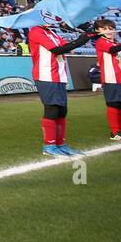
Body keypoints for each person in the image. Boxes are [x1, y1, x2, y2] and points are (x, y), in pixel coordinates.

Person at [29, 16, 96, 158]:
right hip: (46, 75)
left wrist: (87, 35)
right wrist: (82, 39)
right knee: (52, 109)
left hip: (59, 75)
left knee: (62, 111)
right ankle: (49, 146)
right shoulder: (36, 31)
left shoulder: (52, 33)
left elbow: (67, 47)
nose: (52, 19)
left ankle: (60, 144)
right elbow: (57, 50)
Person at [92, 19, 121, 141]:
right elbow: (112, 50)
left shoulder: (116, 43)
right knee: (113, 104)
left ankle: (120, 131)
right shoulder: (101, 41)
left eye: (111, 28)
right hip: (111, 78)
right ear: (98, 31)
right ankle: (115, 131)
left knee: (119, 104)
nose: (108, 31)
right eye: (104, 29)